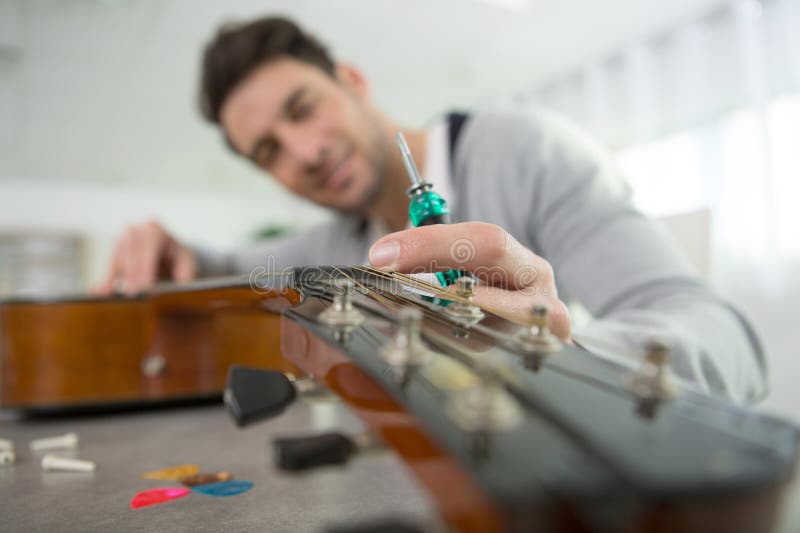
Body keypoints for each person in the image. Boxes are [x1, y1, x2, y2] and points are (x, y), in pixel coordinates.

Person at [98, 16, 765, 403]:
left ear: (353, 81)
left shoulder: (524, 151)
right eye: (269, 150)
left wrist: (562, 348)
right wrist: (173, 249)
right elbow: (235, 267)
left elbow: (727, 338)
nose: (303, 151)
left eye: (303, 108)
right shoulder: (338, 239)